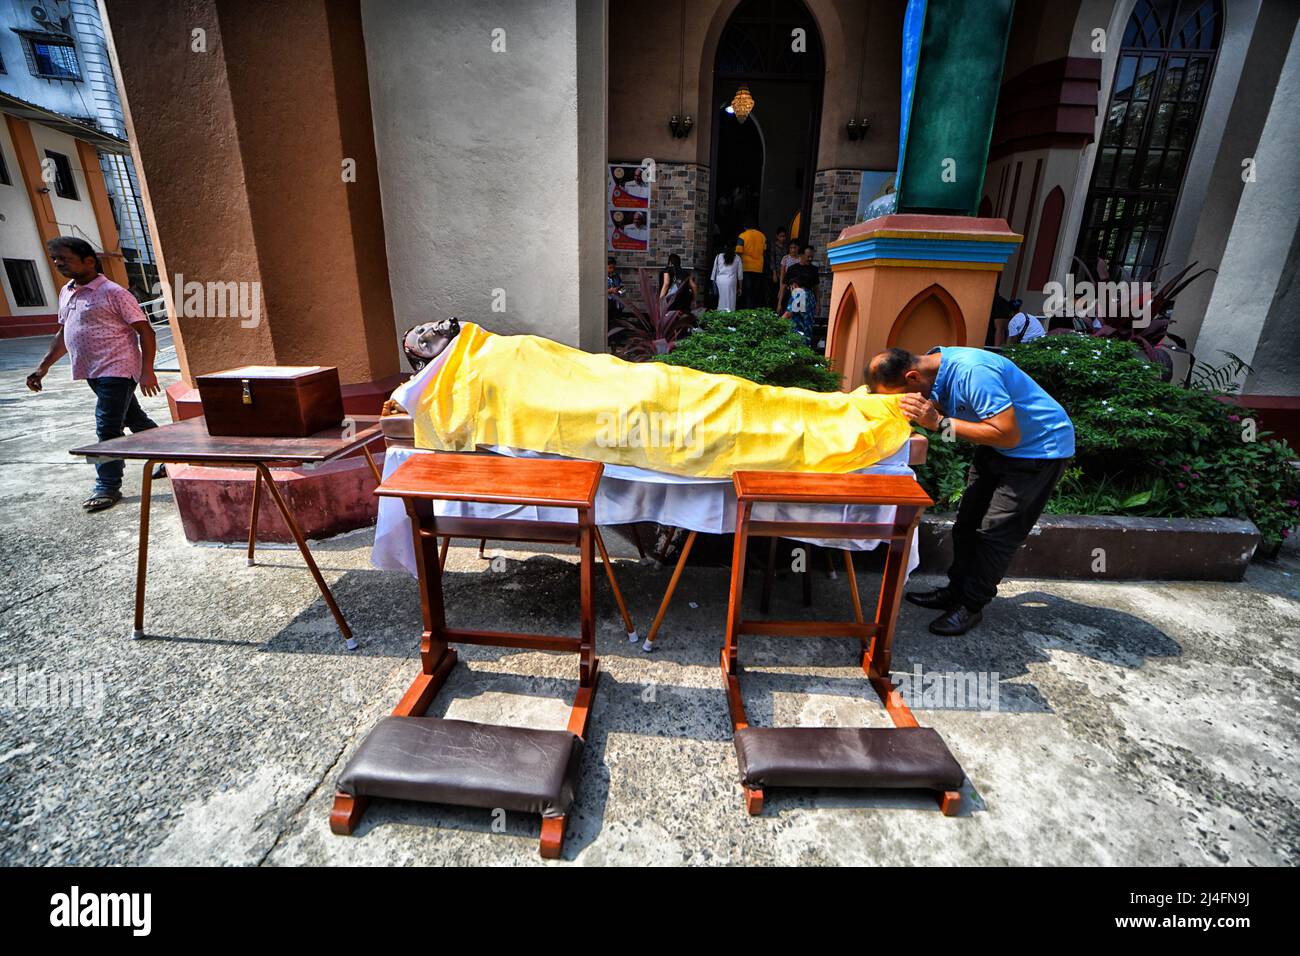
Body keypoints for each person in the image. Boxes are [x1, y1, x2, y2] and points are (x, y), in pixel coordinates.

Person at [866, 346, 1074, 636]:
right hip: (996, 445)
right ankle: (956, 592)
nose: (905, 403)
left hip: (1037, 450)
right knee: (966, 524)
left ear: (913, 377)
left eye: (902, 396)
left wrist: (938, 424)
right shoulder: (931, 369)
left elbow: (1009, 434)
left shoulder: (974, 374)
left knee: (996, 533)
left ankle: (971, 605)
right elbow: (971, 429)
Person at [26, 236, 162, 513]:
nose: (58, 263)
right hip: (90, 371)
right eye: (55, 259)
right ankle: (173, 455)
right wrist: (43, 367)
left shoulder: (114, 292)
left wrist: (147, 371)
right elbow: (64, 333)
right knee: (133, 418)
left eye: (65, 258)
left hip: (118, 368)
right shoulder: (67, 292)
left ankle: (107, 485)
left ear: (89, 261)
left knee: (107, 427)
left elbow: (145, 331)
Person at [735, 218, 767, 308]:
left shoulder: (742, 236)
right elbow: (764, 250)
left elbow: (738, 251)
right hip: (759, 267)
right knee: (755, 291)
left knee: (748, 291)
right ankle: (754, 310)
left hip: (746, 267)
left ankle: (748, 310)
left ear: (745, 227)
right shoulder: (762, 236)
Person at [780, 272, 813, 345]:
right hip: (807, 333)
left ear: (794, 285)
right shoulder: (810, 294)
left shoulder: (799, 293)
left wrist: (776, 324)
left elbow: (788, 313)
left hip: (797, 334)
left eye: (790, 287)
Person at [710, 244, 743, 312]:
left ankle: (719, 314)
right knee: (730, 300)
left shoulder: (718, 256)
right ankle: (729, 315)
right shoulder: (737, 258)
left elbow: (714, 272)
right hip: (731, 282)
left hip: (719, 281)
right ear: (734, 249)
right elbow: (740, 275)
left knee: (720, 300)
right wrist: (740, 287)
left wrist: (713, 283)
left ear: (725, 248)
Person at [607, 257, 626, 323]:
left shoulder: (617, 276)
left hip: (617, 303)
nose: (612, 270)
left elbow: (623, 289)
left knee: (616, 321)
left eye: (613, 268)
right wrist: (610, 291)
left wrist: (619, 291)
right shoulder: (602, 277)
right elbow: (598, 290)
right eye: (610, 267)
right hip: (607, 303)